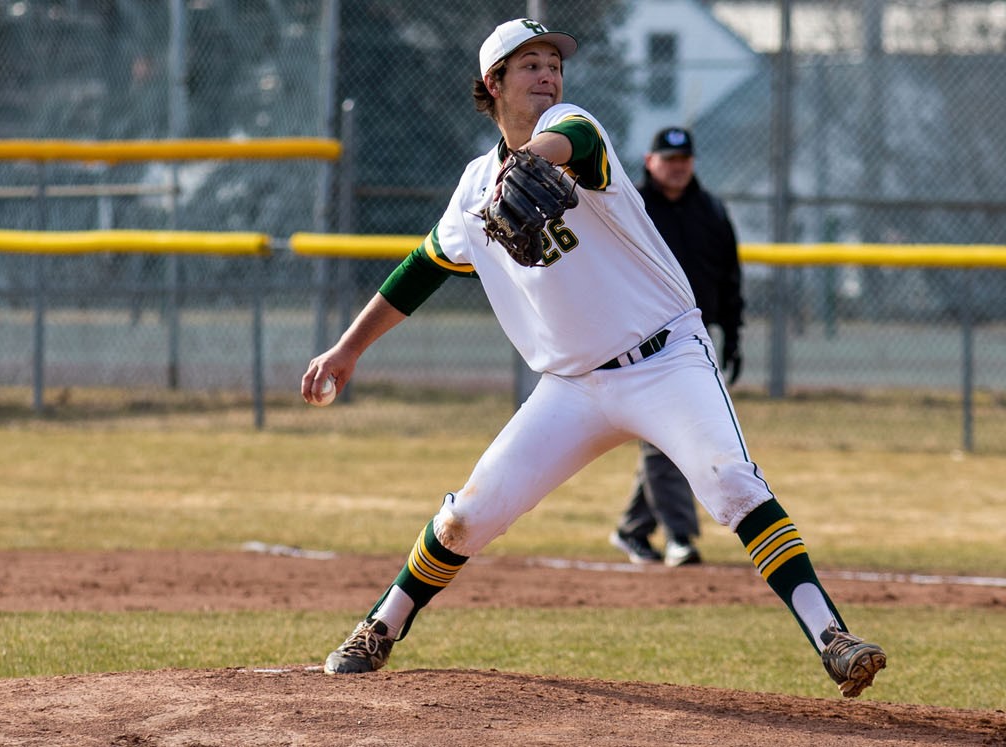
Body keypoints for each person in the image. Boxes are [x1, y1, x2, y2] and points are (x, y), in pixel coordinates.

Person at [301, 18, 887, 698]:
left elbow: (572, 139)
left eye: (554, 64)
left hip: (665, 359)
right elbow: (421, 270)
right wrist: (347, 350)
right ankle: (380, 626)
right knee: (467, 516)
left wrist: (531, 161)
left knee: (731, 482)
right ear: (493, 83)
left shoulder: (572, 129)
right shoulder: (473, 191)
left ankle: (832, 637)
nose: (548, 75)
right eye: (530, 64)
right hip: (571, 387)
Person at [609, 126, 743, 568]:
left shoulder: (711, 210)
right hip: (641, 339)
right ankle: (680, 536)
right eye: (668, 160)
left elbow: (729, 276)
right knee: (669, 436)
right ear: (650, 162)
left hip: (695, 341)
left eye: (683, 159)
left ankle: (633, 529)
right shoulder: (631, 206)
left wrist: (734, 336)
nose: (677, 167)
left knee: (677, 438)